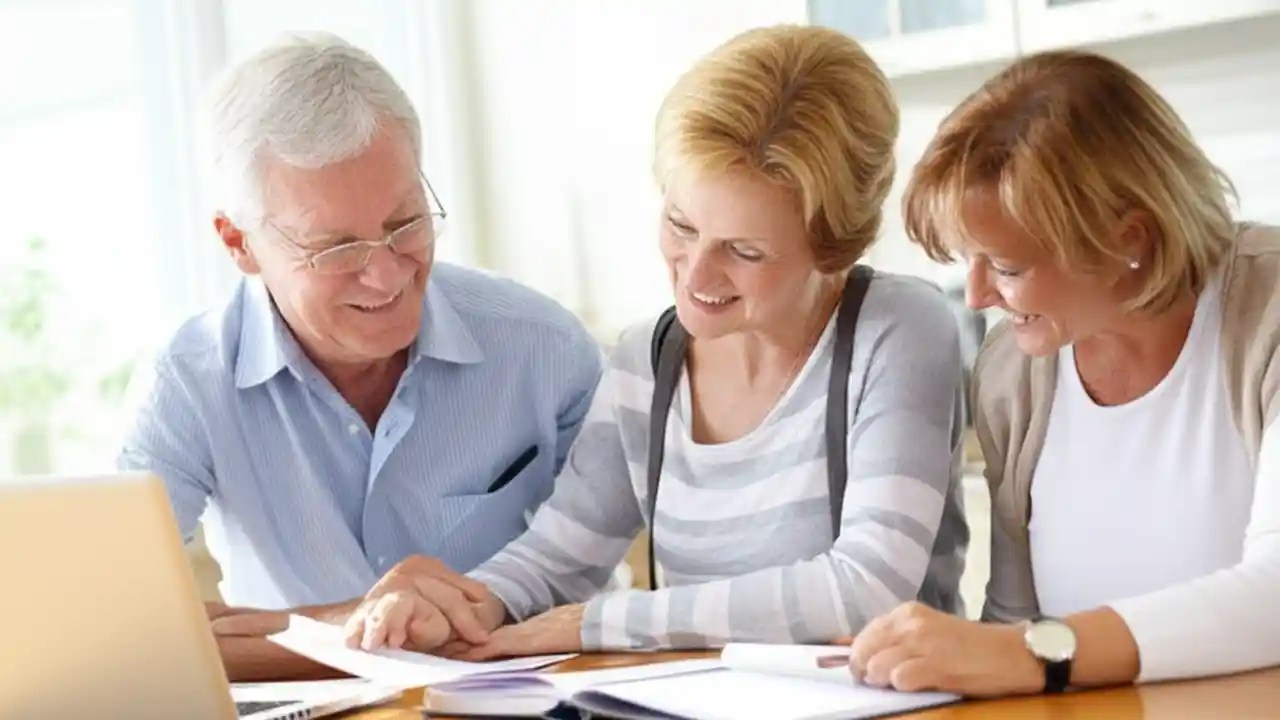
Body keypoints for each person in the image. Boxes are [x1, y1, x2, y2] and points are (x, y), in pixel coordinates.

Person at [344, 24, 969, 659]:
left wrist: (589, 624)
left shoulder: (897, 329)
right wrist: (459, 607)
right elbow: (558, 554)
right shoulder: (650, 358)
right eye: (681, 224)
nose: (695, 275)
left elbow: (866, 588)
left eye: (744, 251)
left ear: (831, 246)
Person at [117, 33, 602, 680]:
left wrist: (280, 634)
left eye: (405, 224)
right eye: (335, 249)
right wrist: (358, 622)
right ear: (239, 243)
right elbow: (125, 629)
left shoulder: (546, 350)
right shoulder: (186, 382)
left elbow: (592, 581)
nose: (385, 276)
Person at [845, 50, 1280, 696]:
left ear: (1129, 241)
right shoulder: (1012, 375)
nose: (977, 297)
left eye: (1007, 268)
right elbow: (1013, 625)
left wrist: (1029, 653)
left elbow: (1272, 596)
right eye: (969, 262)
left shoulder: (1265, 314)